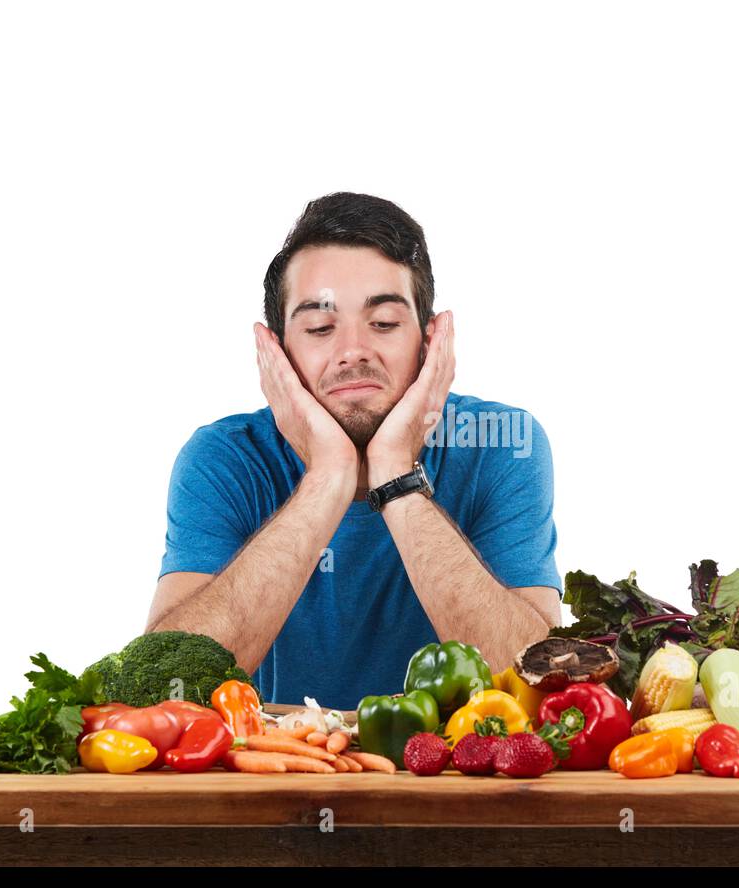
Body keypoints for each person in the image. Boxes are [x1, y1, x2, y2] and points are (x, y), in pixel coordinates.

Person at [144, 192, 562, 710]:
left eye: (383, 323)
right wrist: (328, 477)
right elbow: (161, 689)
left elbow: (542, 685)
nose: (353, 352)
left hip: (461, 760)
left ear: (429, 342)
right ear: (277, 352)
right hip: (283, 759)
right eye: (320, 328)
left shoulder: (502, 444)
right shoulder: (224, 458)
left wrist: (396, 476)